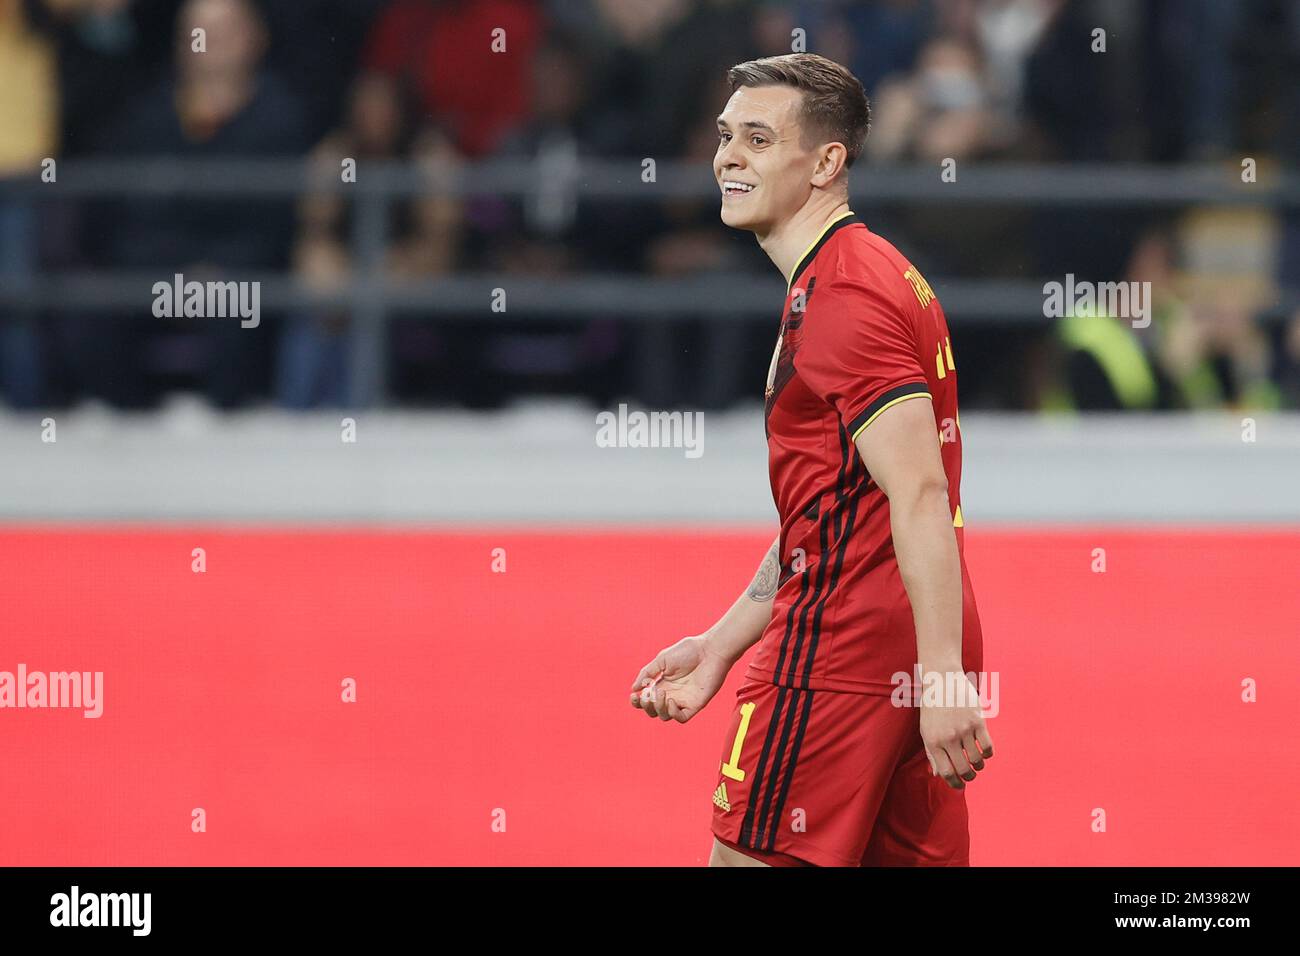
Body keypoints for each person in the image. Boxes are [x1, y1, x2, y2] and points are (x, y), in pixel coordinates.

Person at [628, 53, 993, 867]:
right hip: (902, 639)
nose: (730, 158)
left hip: (842, 651)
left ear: (827, 161)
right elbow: (834, 503)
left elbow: (921, 494)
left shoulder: (845, 298)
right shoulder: (865, 273)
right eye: (727, 137)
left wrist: (939, 680)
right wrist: (722, 643)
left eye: (759, 139)